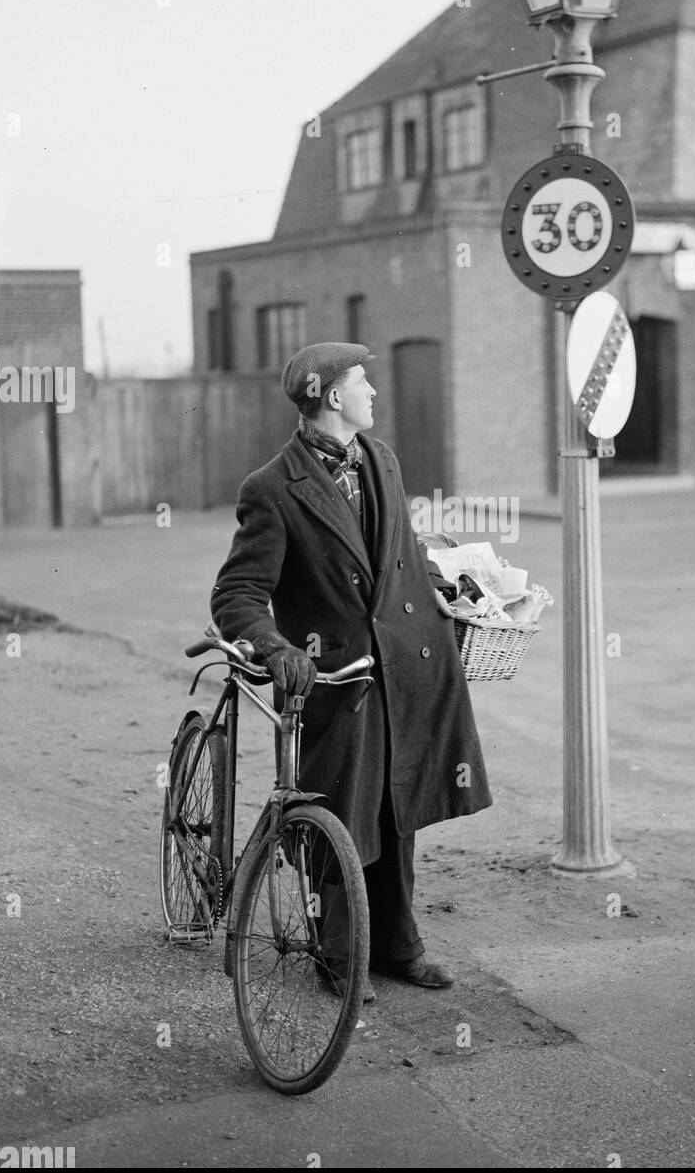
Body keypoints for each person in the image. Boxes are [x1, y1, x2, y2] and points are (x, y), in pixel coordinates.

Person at [210, 342, 492, 1001]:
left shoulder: (382, 460)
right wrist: (276, 648)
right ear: (332, 397)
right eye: (363, 382)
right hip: (336, 680)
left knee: (402, 807)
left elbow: (405, 553)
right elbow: (237, 595)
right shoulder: (273, 489)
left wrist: (453, 596)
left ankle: (398, 945)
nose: (373, 392)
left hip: (409, 664)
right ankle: (338, 955)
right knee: (346, 815)